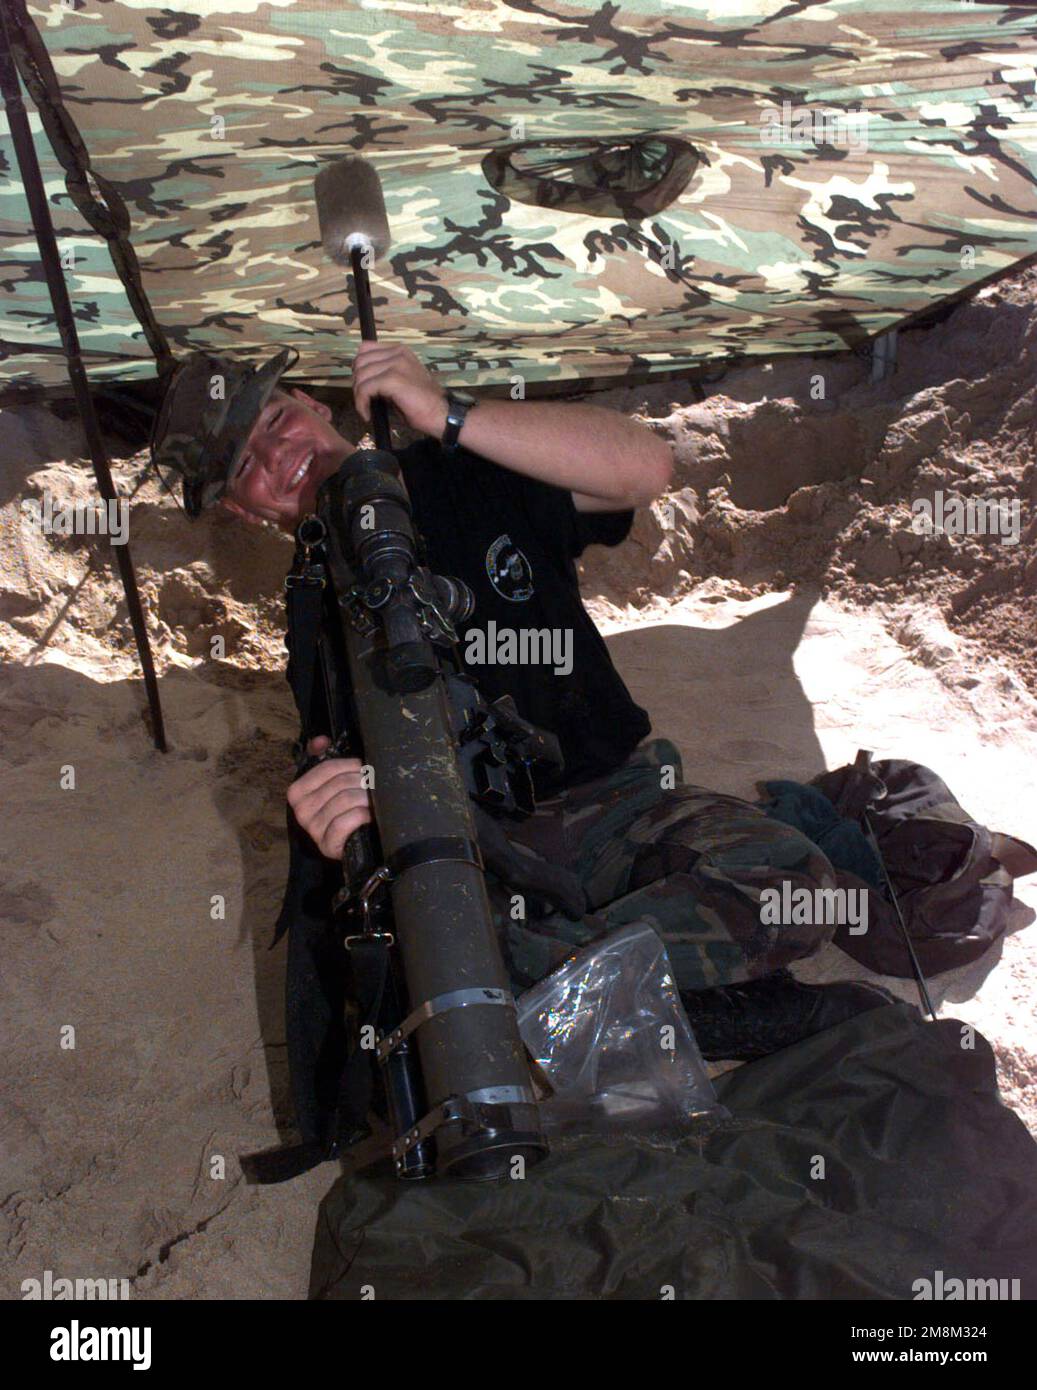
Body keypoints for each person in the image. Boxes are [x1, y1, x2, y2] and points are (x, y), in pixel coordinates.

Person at [150, 342, 895, 1079]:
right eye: (245, 465)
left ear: (314, 404)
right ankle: (701, 1008)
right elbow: (347, 769)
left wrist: (447, 414)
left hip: (620, 799)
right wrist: (342, 805)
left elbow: (645, 467)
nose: (278, 458)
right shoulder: (313, 611)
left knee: (794, 884)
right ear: (243, 512)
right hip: (483, 845)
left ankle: (566, 1000)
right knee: (402, 986)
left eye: (276, 422)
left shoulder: (466, 469)